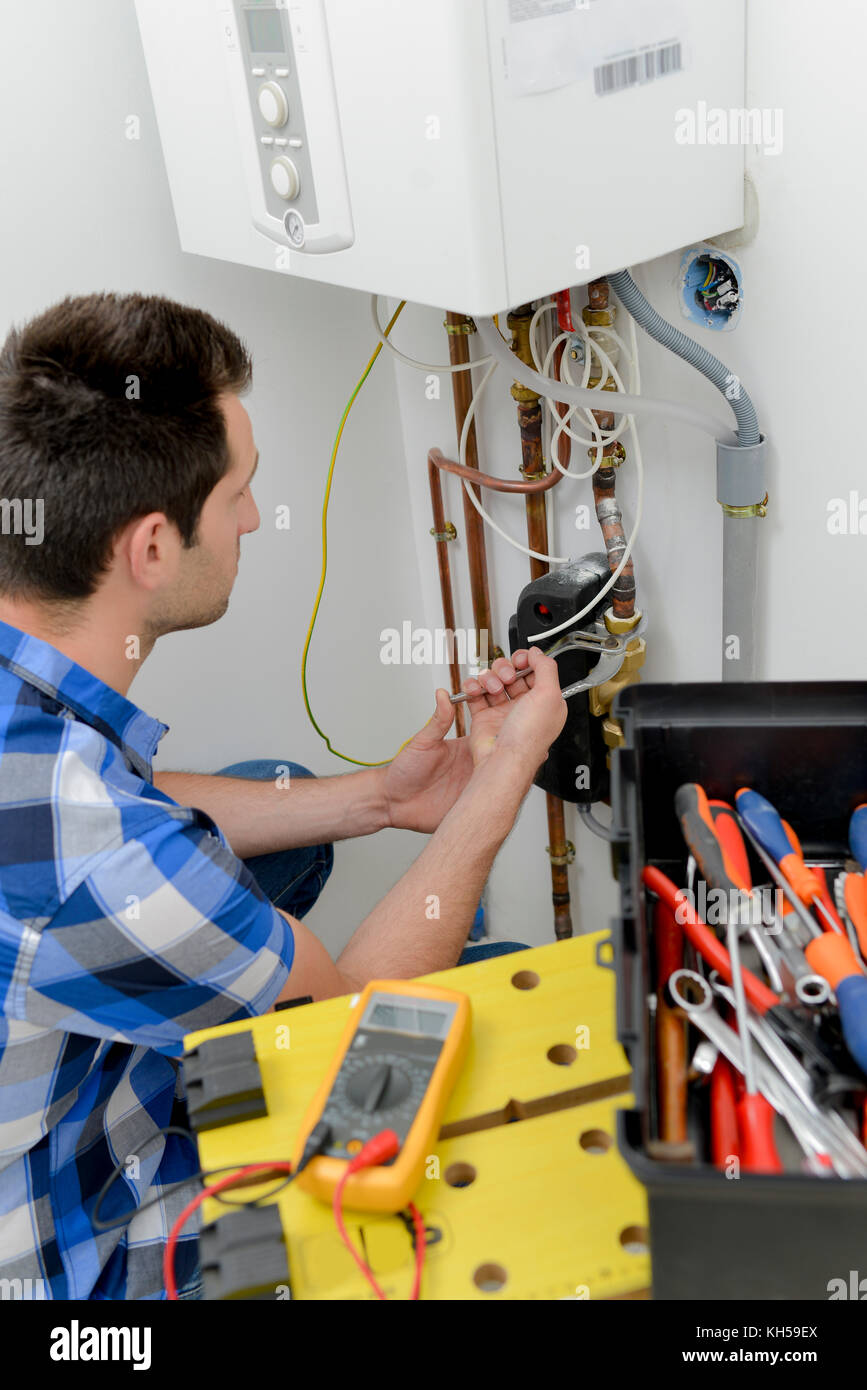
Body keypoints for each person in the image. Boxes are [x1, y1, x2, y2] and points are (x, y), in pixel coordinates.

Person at [0, 292, 567, 1299]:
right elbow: (352, 1047)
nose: (255, 517)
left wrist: (386, 801)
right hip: (78, 1243)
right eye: (236, 495)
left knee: (288, 804)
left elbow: (120, 791)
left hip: (65, 1076)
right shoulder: (104, 863)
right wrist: (504, 776)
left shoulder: (33, 708)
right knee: (488, 989)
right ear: (151, 549)